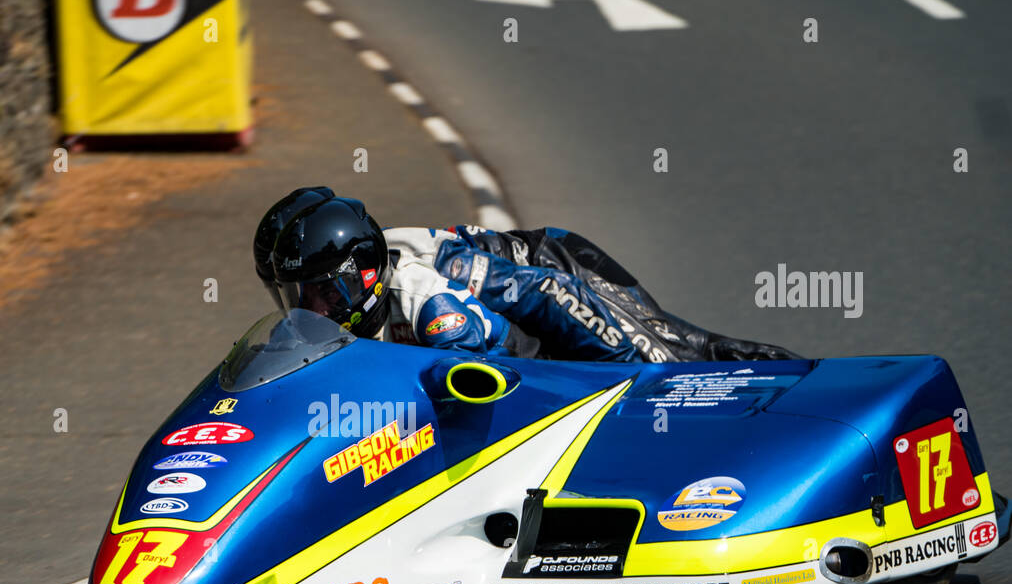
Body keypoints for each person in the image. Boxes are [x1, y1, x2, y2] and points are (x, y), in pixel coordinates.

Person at [254, 188, 798, 363]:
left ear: (366, 276)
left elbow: (548, 299)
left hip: (554, 269)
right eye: (297, 294)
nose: (313, 308)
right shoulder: (324, 314)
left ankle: (786, 378)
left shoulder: (432, 304)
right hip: (533, 286)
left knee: (680, 356)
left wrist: (633, 375)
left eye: (326, 290)